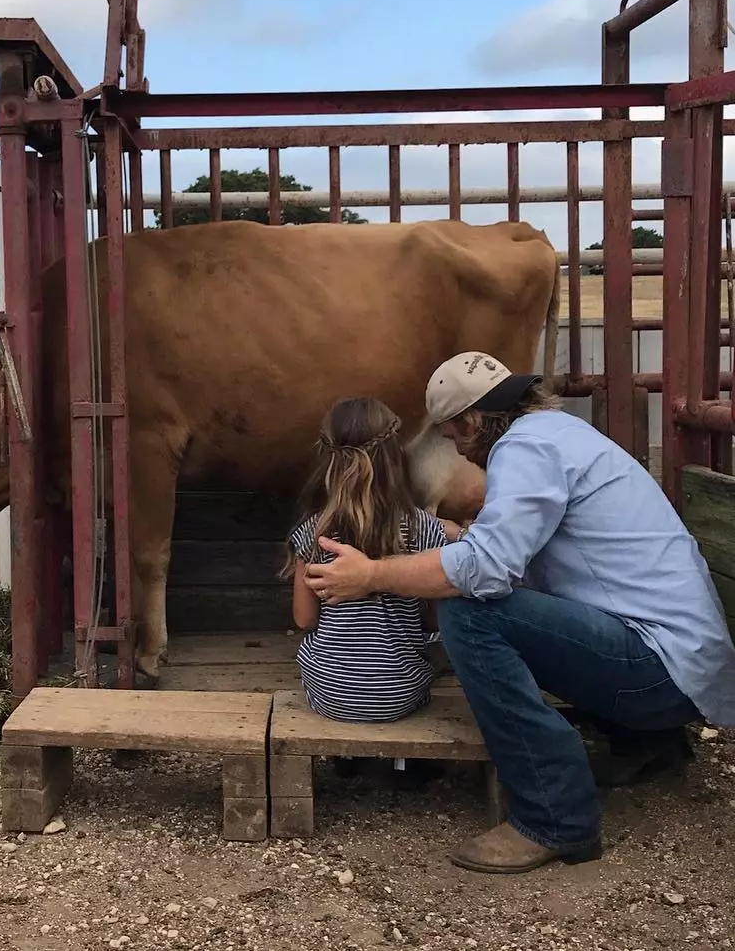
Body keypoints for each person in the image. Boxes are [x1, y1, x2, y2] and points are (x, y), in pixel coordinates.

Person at [303, 352, 735, 876]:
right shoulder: (559, 434)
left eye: (450, 436)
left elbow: (482, 570)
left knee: (469, 612)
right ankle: (645, 743)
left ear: (470, 421)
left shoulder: (525, 450)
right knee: (518, 611)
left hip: (659, 669)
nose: (455, 449)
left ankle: (555, 817)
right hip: (680, 664)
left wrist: (372, 575)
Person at [284, 396, 460, 725]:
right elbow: (435, 619)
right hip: (401, 693)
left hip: (328, 693)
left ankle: (347, 755)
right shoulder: (424, 529)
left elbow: (304, 620)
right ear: (395, 457)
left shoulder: (313, 532)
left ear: (328, 460)